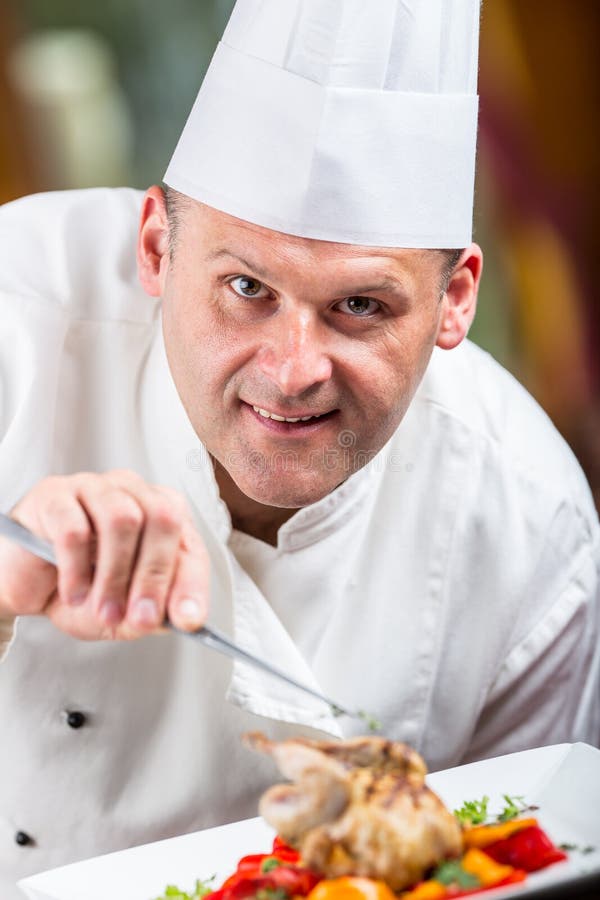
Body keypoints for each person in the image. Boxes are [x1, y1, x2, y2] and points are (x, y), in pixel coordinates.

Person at [0, 1, 598, 897]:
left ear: (456, 301)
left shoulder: (532, 532)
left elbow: (531, 861)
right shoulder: (17, 325)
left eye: (361, 307)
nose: (291, 372)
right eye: (245, 287)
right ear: (158, 247)